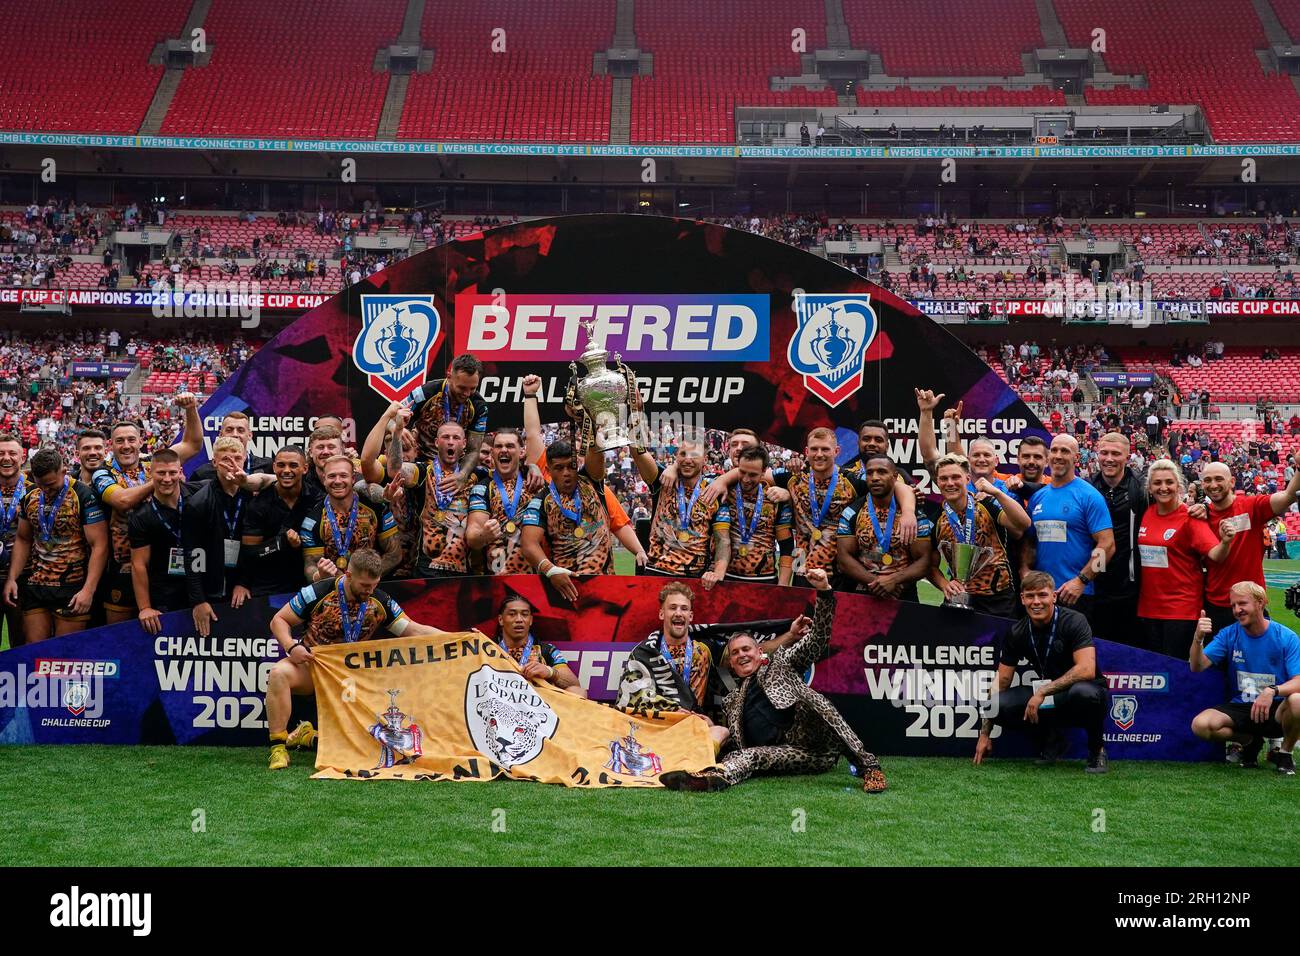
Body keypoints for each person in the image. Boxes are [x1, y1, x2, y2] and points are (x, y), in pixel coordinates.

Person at [660, 570, 887, 793]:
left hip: (812, 747)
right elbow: (736, 742)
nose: (742, 655)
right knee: (749, 755)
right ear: (731, 664)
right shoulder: (732, 701)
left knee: (813, 699)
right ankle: (709, 779)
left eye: (746, 649)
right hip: (778, 754)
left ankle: (869, 767)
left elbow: (818, 637)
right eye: (736, 653)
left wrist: (824, 593)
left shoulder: (782, 664)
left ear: (760, 653)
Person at [264, 548, 448, 770]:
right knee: (278, 674)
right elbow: (279, 620)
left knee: (366, 744)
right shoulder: (320, 591)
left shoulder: (379, 600)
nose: (369, 590)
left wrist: (457, 637)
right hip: (313, 668)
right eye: (364, 585)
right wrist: (291, 646)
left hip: (354, 678)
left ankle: (308, 736)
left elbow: (414, 631)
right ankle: (278, 749)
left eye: (374, 584)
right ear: (348, 575)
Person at [973, 571, 1110, 772]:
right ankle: (1052, 740)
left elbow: (1086, 669)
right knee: (997, 705)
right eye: (1030, 596)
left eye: (1042, 595)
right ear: (1022, 599)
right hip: (1047, 696)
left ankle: (1097, 751)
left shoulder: (1074, 620)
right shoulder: (1018, 632)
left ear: (1053, 596)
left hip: (1083, 691)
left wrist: (1042, 692)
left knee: (1083, 693)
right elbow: (1001, 682)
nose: (1036, 602)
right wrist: (985, 734)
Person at [91, 397, 202, 624]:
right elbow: (122, 500)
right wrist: (162, 479)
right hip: (123, 566)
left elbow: (193, 444)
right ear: (110, 445)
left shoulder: (151, 462)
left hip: (161, 565)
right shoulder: (103, 473)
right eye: (119, 441)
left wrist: (191, 409)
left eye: (131, 439)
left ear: (141, 441)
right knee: (119, 635)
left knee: (163, 631)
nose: (126, 446)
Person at [1190, 582, 1300, 775]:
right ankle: (1250, 741)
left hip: (1276, 709)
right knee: (1201, 725)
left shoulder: (1286, 637)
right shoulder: (1229, 634)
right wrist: (1198, 639)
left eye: (1242, 604)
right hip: (1243, 707)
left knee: (1298, 700)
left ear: (1261, 603)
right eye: (1233, 605)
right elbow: (1197, 666)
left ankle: (1285, 752)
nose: (1237, 610)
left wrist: (1272, 691)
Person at [4, 449, 108, 642]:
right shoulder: (30, 495)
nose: (46, 490)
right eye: (41, 484)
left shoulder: (83, 495)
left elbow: (99, 545)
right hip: (36, 584)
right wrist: (12, 578)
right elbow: (23, 539)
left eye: (51, 485)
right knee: (35, 651)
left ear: (64, 471)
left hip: (71, 586)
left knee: (65, 655)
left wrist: (88, 590)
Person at [613, 581, 728, 752]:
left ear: (691, 616)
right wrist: (674, 711)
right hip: (659, 727)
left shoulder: (705, 650)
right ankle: (691, 761)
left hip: (696, 727)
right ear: (662, 614)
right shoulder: (646, 651)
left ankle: (691, 761)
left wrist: (784, 636)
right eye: (672, 607)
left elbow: (744, 654)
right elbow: (633, 696)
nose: (678, 613)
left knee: (721, 732)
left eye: (684, 608)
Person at [1135, 460, 1234, 657]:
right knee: (1154, 676)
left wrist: (1225, 542)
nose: (1163, 488)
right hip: (1148, 609)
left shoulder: (1190, 517)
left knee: (1174, 673)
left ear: (1178, 486)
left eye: (1169, 482)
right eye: (1157, 483)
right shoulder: (1146, 513)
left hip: (1181, 610)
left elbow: (1215, 554)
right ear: (1149, 487)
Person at [182, 437, 275, 638]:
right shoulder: (198, 502)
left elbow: (257, 549)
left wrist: (244, 582)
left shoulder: (255, 496)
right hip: (210, 588)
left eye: (237, 458)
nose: (232, 464)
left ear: (244, 460)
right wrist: (198, 600)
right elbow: (192, 554)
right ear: (214, 462)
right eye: (225, 459)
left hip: (245, 586)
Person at [1193, 461, 1300, 634]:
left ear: (1232, 482)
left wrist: (1299, 468)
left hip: (1252, 604)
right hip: (1216, 605)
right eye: (1207, 480)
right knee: (1216, 660)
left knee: (1257, 659)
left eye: (1219, 479)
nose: (1213, 485)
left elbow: (1288, 496)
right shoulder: (1199, 516)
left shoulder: (1252, 506)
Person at [1022, 435, 1115, 623]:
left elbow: (1108, 545)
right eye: (1054, 450)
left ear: (1076, 458)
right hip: (1042, 595)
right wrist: (1024, 569)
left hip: (1075, 595)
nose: (1058, 455)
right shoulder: (1037, 498)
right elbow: (1029, 542)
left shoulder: (1089, 496)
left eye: (1065, 451)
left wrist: (1082, 581)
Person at [927, 454, 1030, 617]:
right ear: (937, 482)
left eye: (955, 477)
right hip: (959, 598)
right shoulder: (937, 518)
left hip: (998, 598)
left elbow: (1024, 523)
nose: (950, 483)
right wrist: (944, 584)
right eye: (944, 478)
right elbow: (930, 566)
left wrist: (997, 493)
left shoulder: (986, 506)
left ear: (967, 479)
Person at [519, 438, 614, 603]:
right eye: (559, 468)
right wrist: (550, 570)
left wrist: (587, 422)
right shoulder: (541, 501)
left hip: (605, 583)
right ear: (548, 470)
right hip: (566, 587)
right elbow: (528, 544)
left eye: (571, 466)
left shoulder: (591, 480)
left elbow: (596, 453)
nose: (566, 473)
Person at [631, 433, 730, 586]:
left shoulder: (714, 490)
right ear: (676, 456)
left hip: (696, 578)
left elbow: (722, 539)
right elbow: (638, 453)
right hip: (656, 573)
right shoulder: (662, 480)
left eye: (694, 455)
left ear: (705, 459)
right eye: (683, 454)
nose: (688, 460)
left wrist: (717, 572)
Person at [387, 421, 483, 577]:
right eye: (445, 437)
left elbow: (509, 474)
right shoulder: (424, 471)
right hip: (427, 570)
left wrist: (532, 467)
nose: (451, 441)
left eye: (456, 438)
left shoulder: (477, 476)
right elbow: (394, 470)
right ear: (437, 442)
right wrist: (397, 432)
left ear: (464, 443)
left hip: (464, 572)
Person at [836, 455, 931, 601]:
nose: (875, 477)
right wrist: (878, 583)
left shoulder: (914, 515)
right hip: (862, 595)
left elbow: (924, 560)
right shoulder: (852, 513)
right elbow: (844, 559)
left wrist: (894, 580)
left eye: (882, 472)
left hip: (903, 596)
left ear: (894, 477)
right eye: (870, 473)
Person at [126, 449, 197, 634]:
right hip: (164, 598)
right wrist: (145, 608)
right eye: (161, 473)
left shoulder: (198, 498)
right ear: (151, 473)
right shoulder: (141, 517)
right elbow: (139, 564)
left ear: (180, 472)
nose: (167, 479)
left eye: (172, 473)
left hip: (200, 593)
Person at [1087, 432, 1148, 643]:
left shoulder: (1142, 488)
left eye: (1116, 453)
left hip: (1130, 583)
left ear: (1127, 456)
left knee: (1129, 647)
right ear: (1097, 454)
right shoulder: (1086, 488)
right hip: (1095, 580)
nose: (1109, 458)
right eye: (1104, 453)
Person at [300, 455, 400, 582]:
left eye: (343, 475)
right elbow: (310, 565)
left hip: (371, 586)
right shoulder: (313, 519)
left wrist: (364, 579)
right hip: (333, 589)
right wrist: (320, 576)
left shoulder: (377, 509)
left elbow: (394, 554)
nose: (337, 481)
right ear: (324, 479)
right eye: (331, 476)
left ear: (353, 479)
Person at [239, 446, 313, 596]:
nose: (286, 470)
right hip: (268, 585)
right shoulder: (259, 504)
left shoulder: (317, 499)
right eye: (281, 465)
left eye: (293, 465)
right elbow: (250, 554)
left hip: (307, 583)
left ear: (305, 469)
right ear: (273, 467)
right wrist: (280, 543)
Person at [405, 353, 489, 482]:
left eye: (473, 388)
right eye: (462, 387)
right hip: (421, 461)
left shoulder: (479, 406)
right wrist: (399, 427)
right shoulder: (425, 393)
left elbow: (473, 450)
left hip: (456, 466)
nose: (467, 394)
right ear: (449, 377)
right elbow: (391, 419)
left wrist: (462, 475)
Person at [724, 445, 793, 584]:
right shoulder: (724, 493)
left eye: (753, 475)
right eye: (742, 472)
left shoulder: (775, 499)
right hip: (726, 578)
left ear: (763, 472)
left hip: (764, 581)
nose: (746, 479)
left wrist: (783, 586)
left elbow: (786, 546)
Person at [493, 594, 584, 696]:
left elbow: (574, 683)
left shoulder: (547, 650)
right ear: (501, 619)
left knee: (577, 692)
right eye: (512, 614)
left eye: (524, 614)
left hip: (539, 706)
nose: (519, 619)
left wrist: (549, 672)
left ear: (530, 620)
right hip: (500, 702)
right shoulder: (487, 648)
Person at [188, 410, 273, 482]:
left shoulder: (267, 467)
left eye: (241, 430)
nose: (235, 434)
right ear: (221, 435)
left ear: (250, 435)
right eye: (229, 430)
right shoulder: (203, 473)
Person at [0, 434, 26, 644]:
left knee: (23, 646)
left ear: (22, 457)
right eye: (0, 453)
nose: (6, 458)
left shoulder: (37, 490)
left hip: (24, 580)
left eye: (12, 453)